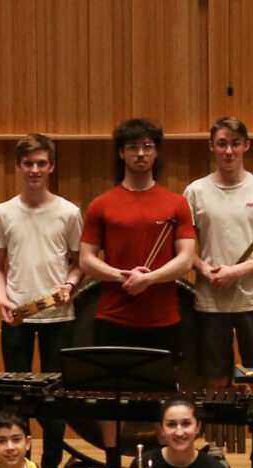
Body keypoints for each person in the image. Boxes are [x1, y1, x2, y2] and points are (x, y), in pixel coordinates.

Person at [186, 116, 253, 468]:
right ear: (212, 147)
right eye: (221, 143)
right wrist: (205, 268)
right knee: (215, 381)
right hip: (209, 300)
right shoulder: (194, 191)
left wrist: (238, 270)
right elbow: (186, 249)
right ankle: (217, 459)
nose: (228, 150)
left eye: (235, 143)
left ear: (247, 146)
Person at [0, 133, 85, 468]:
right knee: (17, 398)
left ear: (51, 167)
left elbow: (79, 264)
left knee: (54, 399)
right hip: (17, 317)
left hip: (59, 318)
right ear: (18, 166)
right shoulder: (3, 212)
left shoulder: (69, 212)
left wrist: (69, 285)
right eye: (28, 163)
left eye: (41, 163)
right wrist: (1, 298)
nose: (34, 170)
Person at [80, 117, 200, 362]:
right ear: (122, 153)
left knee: (161, 399)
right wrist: (122, 276)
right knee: (114, 398)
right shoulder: (100, 205)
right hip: (112, 319)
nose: (141, 153)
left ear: (156, 152)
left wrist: (149, 279)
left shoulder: (177, 204)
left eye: (147, 146)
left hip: (163, 320)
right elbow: (85, 260)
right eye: (133, 147)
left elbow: (186, 259)